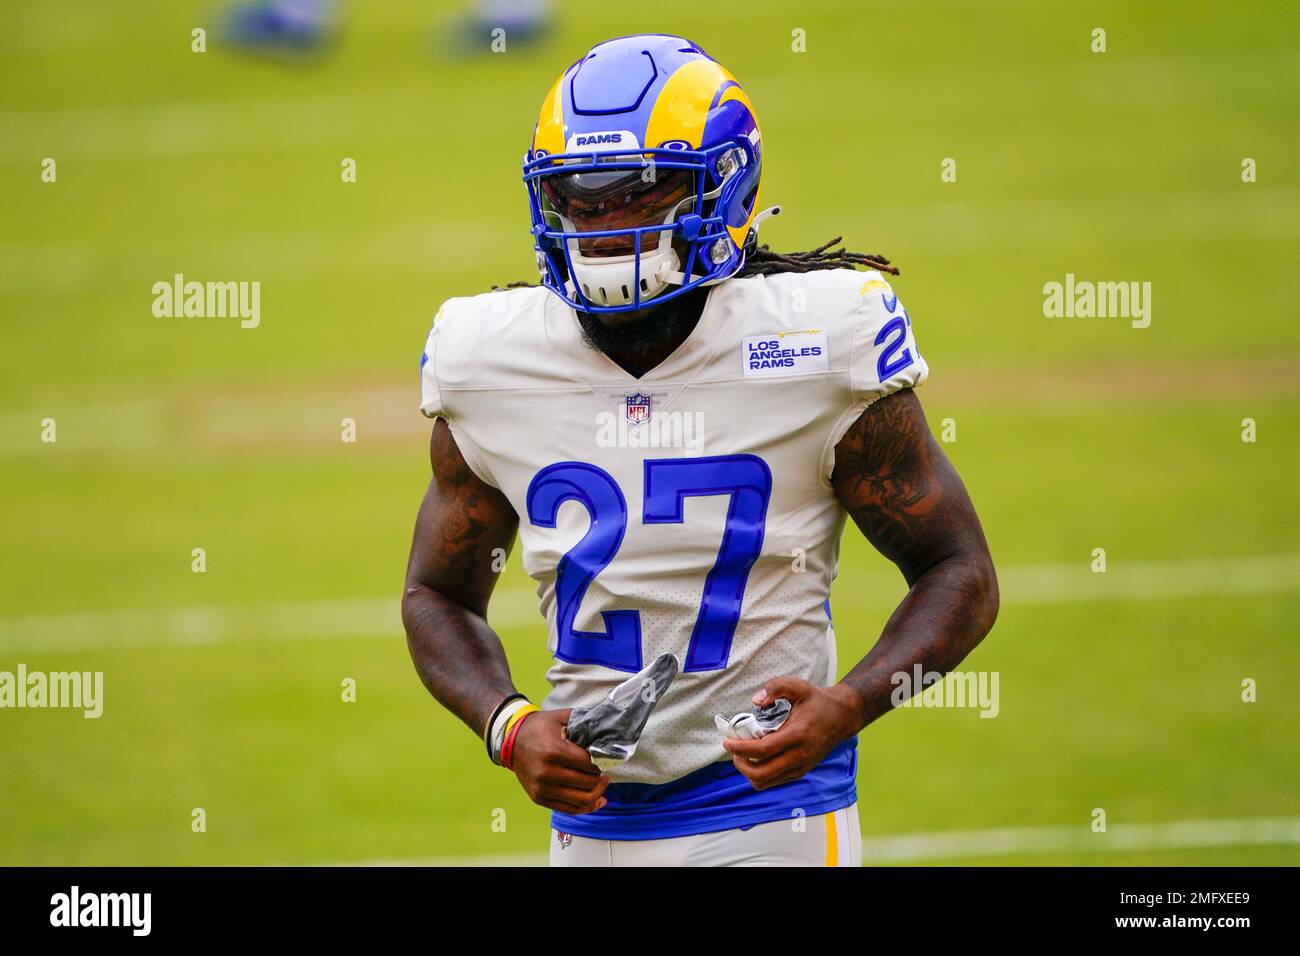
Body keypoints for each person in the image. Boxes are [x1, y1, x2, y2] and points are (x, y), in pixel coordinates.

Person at [402, 34, 999, 867]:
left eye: (642, 193)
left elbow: (958, 570)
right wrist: (507, 724)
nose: (604, 230)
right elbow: (437, 594)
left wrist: (849, 704)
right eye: (580, 197)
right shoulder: (488, 359)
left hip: (770, 808)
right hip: (591, 825)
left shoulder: (816, 342)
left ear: (726, 186)